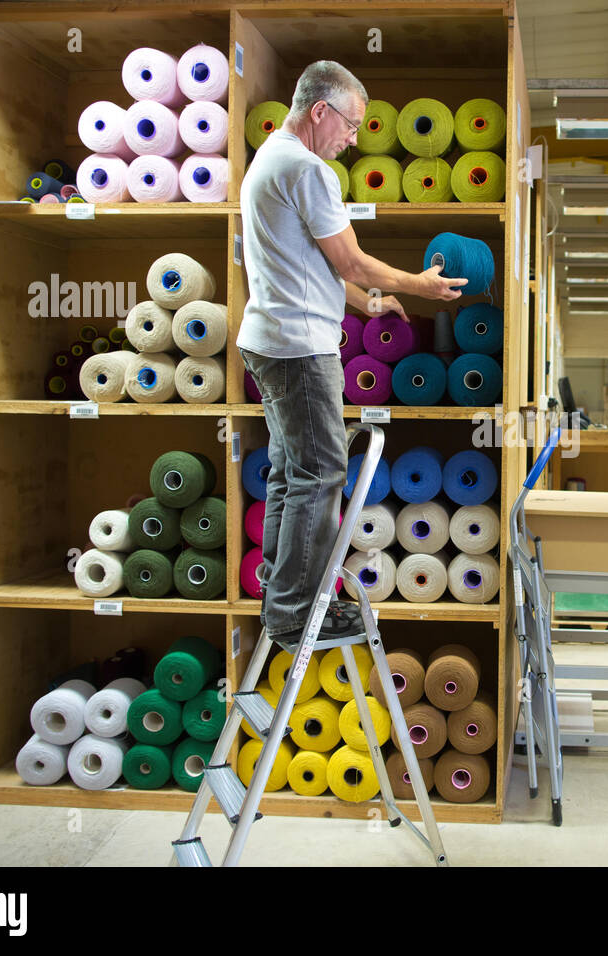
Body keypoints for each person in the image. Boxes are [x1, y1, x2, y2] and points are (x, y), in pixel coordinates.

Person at [237, 60, 465, 643]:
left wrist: (366, 304)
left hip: (270, 339)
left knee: (292, 473)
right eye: (352, 124)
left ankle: (281, 596)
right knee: (322, 472)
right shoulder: (309, 169)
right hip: (299, 349)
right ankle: (295, 613)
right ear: (320, 111)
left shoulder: (270, 158)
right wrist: (422, 286)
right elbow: (351, 260)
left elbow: (311, 262)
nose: (355, 137)